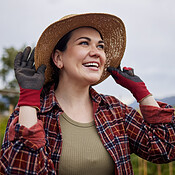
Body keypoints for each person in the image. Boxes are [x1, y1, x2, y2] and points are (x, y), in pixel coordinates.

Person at [0, 13, 175, 175]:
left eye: (100, 46)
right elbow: (20, 170)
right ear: (58, 58)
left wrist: (142, 93)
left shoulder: (115, 111)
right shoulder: (32, 113)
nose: (96, 52)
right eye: (84, 43)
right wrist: (29, 99)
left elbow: (165, 148)